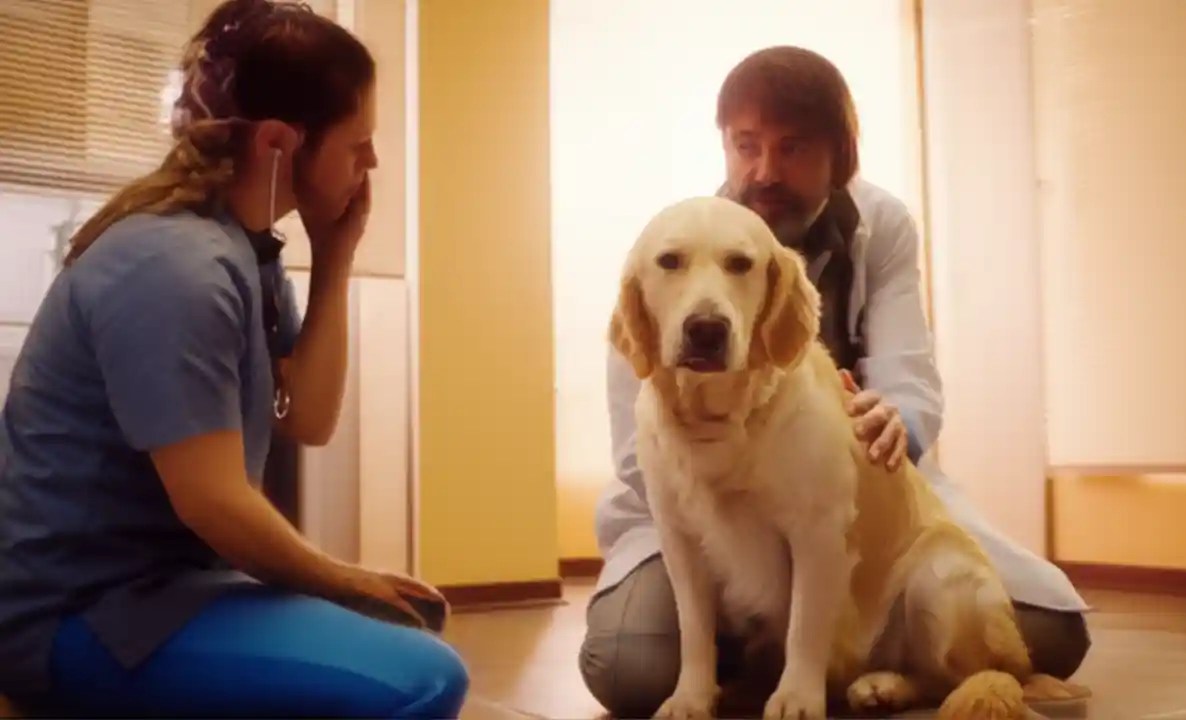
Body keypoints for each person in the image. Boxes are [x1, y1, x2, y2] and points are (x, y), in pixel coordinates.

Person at [579, 45, 1092, 717]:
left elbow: (909, 376)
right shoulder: (675, 244)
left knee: (1053, 631)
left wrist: (894, 423)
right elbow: (637, 444)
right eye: (745, 145)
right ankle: (770, 637)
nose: (765, 170)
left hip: (864, 498)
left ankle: (807, 644)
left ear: (840, 154)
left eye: (792, 149)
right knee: (629, 668)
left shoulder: (882, 225)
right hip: (700, 514)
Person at [0, 1, 468, 716]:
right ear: (280, 143)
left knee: (406, 625)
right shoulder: (173, 265)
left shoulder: (244, 252)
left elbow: (308, 418)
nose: (371, 163)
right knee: (425, 678)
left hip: (171, 591)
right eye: (358, 143)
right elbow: (214, 503)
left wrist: (335, 257)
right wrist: (346, 580)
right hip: (81, 616)